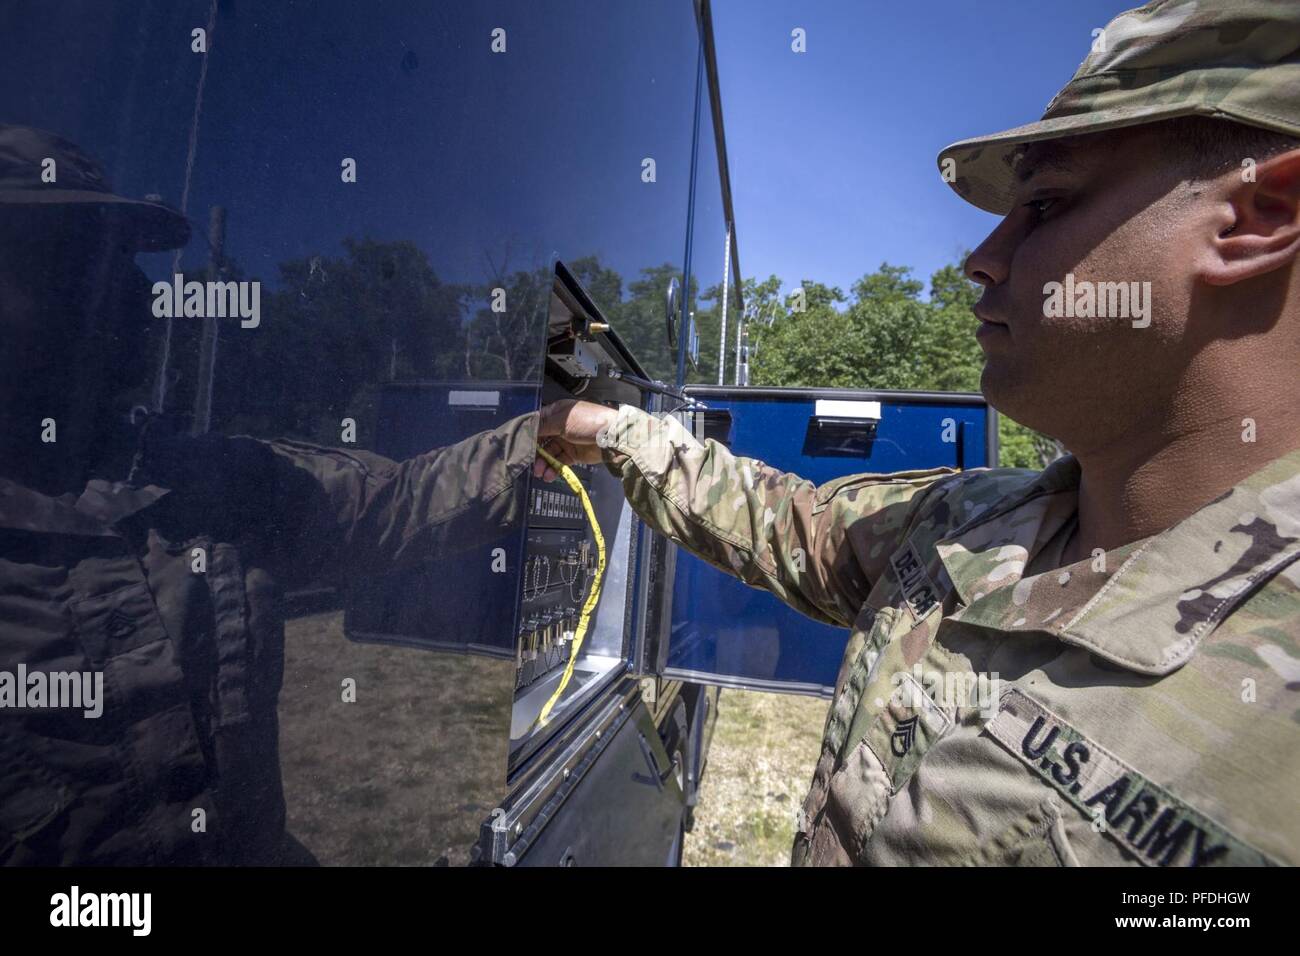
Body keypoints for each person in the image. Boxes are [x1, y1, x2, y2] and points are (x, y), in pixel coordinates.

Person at [534, 0, 1300, 866]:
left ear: (1256, 218)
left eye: (1045, 205)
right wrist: (613, 430)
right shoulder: (971, 523)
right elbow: (793, 528)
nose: (981, 256)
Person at [0, 125, 539, 864]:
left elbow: (403, 500)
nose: (126, 293)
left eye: (119, 260)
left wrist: (555, 436)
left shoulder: (208, 482)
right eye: (65, 259)